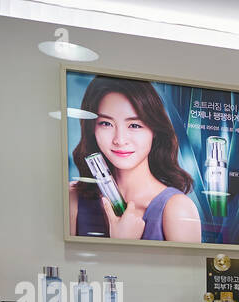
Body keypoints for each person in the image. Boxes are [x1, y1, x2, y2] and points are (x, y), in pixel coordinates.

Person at [69, 75, 202, 243]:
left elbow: (187, 270)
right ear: (92, 129)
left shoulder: (177, 209)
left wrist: (124, 243)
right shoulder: (74, 197)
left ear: (154, 131)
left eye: (134, 125)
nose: (120, 139)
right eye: (106, 123)